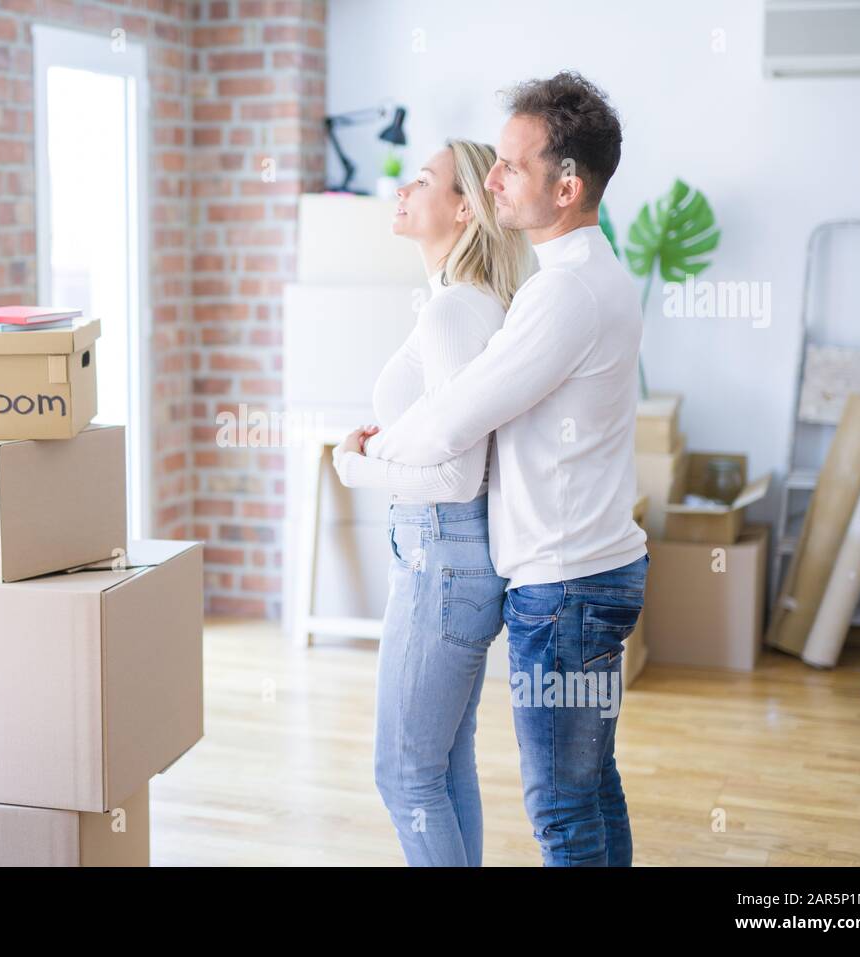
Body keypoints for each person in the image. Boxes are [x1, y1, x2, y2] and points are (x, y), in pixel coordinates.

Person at [357, 72, 650, 867]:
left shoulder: (563, 297)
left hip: (565, 588)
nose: (493, 177)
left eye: (511, 165)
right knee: (591, 790)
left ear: (568, 186)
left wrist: (363, 454)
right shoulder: (587, 279)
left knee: (561, 809)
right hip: (591, 573)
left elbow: (457, 420)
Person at [332, 138, 532, 866]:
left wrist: (358, 467)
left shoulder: (453, 311)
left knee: (404, 773)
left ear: (464, 207)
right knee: (443, 766)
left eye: (422, 180)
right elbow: (448, 435)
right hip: (449, 558)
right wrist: (392, 441)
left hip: (439, 554)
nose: (401, 190)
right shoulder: (464, 303)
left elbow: (456, 475)